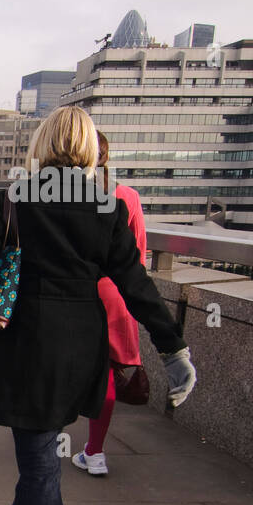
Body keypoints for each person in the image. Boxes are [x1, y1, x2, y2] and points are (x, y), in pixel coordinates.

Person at [0, 106, 195, 505]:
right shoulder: (106, 203)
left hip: (31, 345)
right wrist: (173, 350)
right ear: (90, 147)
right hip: (82, 347)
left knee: (41, 464)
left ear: (43, 142)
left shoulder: (15, 197)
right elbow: (135, 283)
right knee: (42, 449)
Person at [73, 131, 147, 476]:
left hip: (74, 292)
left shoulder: (63, 195)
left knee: (60, 364)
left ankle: (47, 436)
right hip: (114, 294)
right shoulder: (127, 196)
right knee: (107, 375)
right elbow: (138, 257)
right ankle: (95, 452)